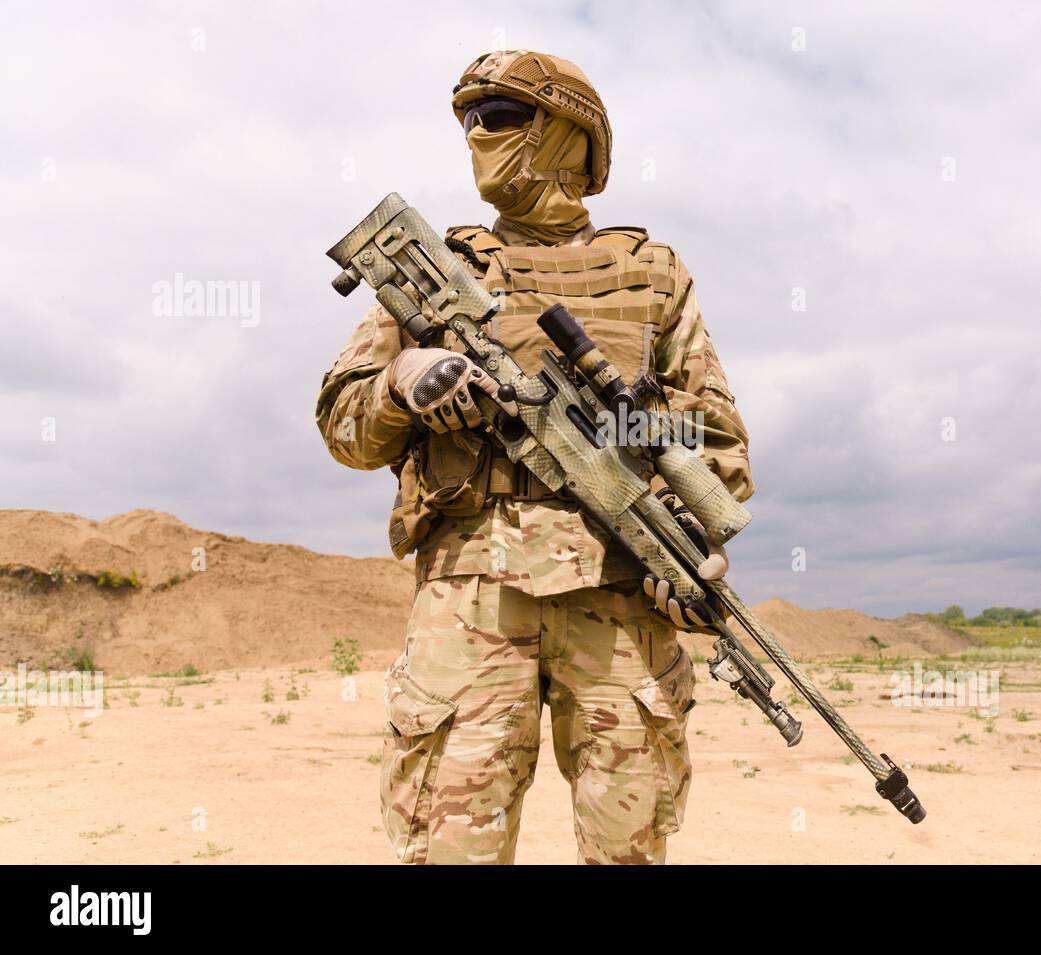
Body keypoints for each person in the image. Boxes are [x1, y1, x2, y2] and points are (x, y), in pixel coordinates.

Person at [315, 50, 752, 864]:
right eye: (471, 119)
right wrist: (403, 379)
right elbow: (343, 423)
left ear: (567, 134)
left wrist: (693, 526)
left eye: (503, 116)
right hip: (471, 601)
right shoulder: (438, 271)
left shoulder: (650, 275)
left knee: (629, 847)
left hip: (623, 595)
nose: (479, 134)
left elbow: (715, 433)